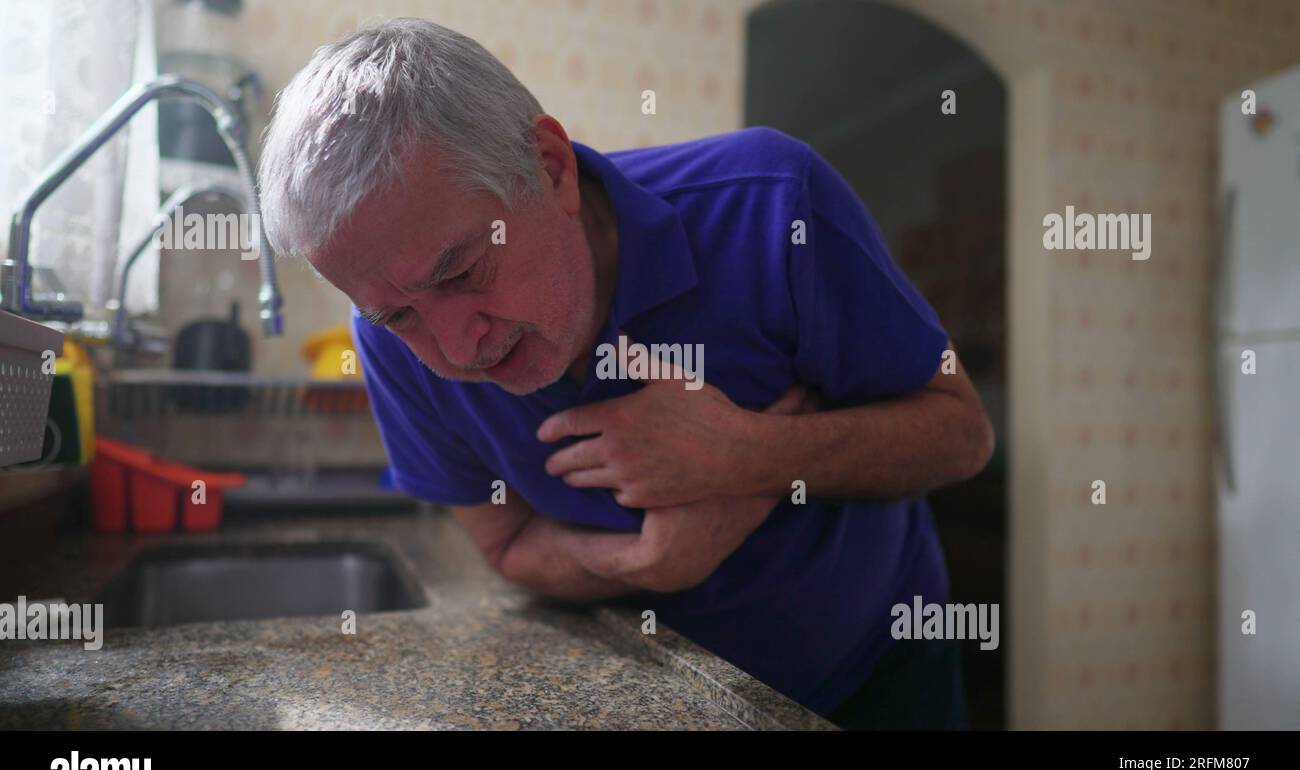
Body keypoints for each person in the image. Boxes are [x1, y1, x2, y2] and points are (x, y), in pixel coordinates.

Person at [258, 18, 993, 729]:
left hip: (882, 679)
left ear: (550, 168)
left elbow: (962, 434)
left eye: (461, 269)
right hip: (647, 700)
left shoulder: (774, 203)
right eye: (398, 315)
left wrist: (744, 456)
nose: (457, 348)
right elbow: (505, 543)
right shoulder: (383, 343)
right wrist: (651, 560)